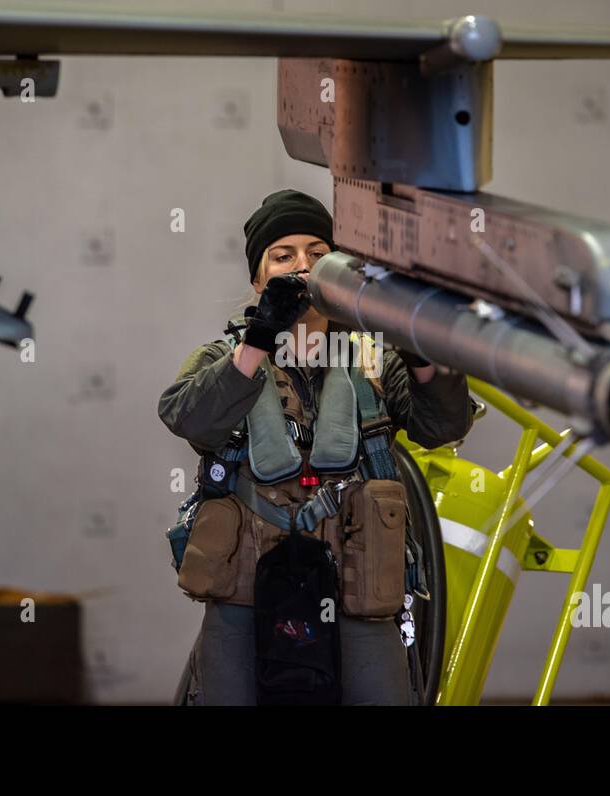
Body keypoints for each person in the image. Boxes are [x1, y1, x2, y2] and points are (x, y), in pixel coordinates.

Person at [158, 188, 473, 705]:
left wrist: (417, 342)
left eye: (318, 253)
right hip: (246, 585)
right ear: (259, 279)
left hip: (359, 582)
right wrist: (260, 339)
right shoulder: (227, 356)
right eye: (283, 256)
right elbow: (187, 417)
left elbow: (442, 425)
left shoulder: (371, 359)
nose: (303, 266)